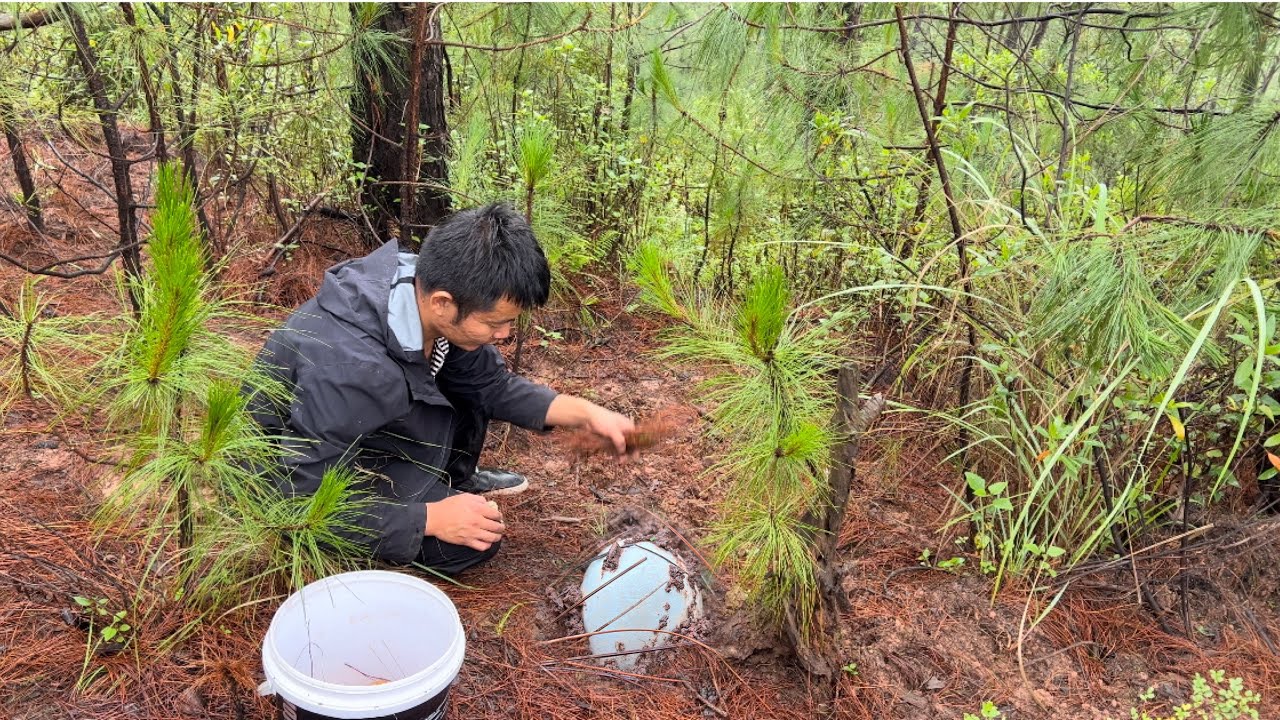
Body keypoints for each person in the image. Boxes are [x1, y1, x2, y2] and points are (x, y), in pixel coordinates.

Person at [248, 203, 634, 574]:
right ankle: (404, 515)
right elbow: (299, 495)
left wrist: (585, 413)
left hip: (350, 435)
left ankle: (444, 480)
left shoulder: (422, 295)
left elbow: (492, 386)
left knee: (467, 384)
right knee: (469, 542)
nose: (504, 335)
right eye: (495, 323)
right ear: (443, 303)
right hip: (284, 473)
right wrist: (427, 519)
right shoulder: (352, 369)